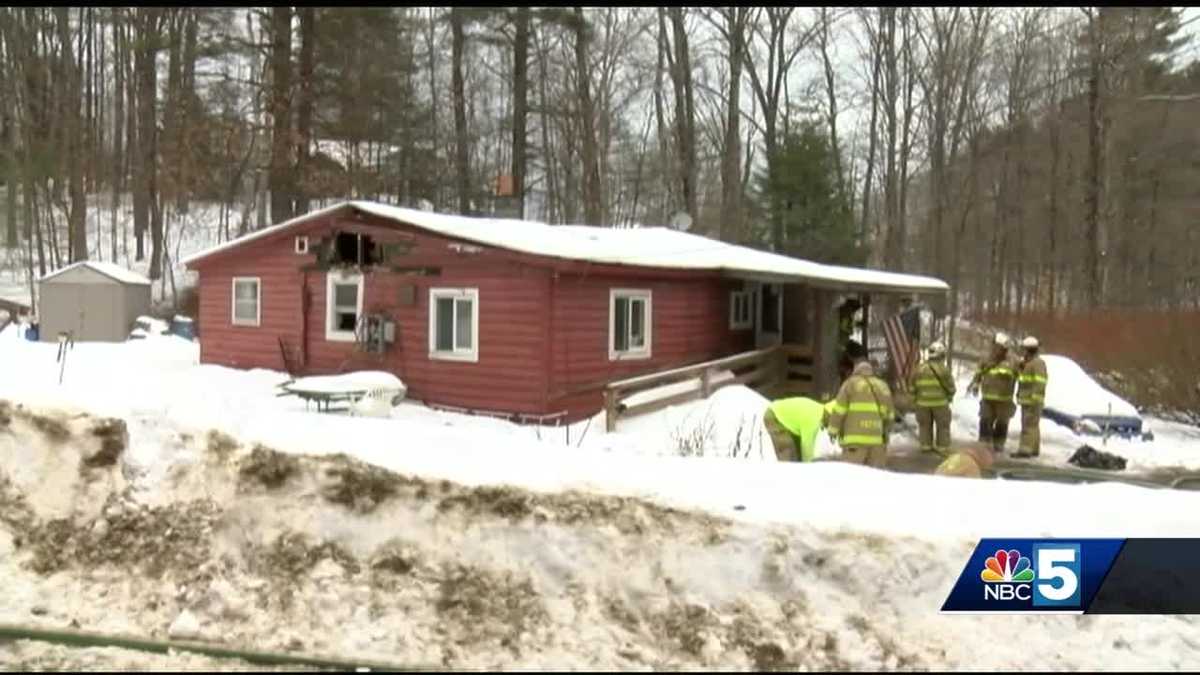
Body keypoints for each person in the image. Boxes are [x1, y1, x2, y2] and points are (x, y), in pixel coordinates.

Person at [826, 357, 894, 469]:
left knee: (852, 477)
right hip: (877, 441)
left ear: (856, 369)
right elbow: (890, 415)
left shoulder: (850, 384)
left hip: (854, 442)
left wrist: (833, 430)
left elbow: (839, 410)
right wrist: (885, 433)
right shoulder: (883, 386)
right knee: (876, 478)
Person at [968, 332, 1018, 453]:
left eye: (999, 347)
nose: (996, 349)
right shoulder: (986, 359)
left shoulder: (1014, 361)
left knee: (1002, 422)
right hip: (987, 398)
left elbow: (1021, 377)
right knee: (985, 419)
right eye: (995, 346)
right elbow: (979, 373)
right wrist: (975, 384)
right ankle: (983, 442)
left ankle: (999, 444)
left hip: (1004, 400)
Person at [910, 340, 955, 456]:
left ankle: (926, 446)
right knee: (943, 426)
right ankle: (942, 448)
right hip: (940, 404)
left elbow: (911, 387)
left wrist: (915, 398)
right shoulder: (944, 369)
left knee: (924, 426)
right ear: (941, 354)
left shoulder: (919, 368)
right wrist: (949, 397)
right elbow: (951, 388)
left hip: (922, 404)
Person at [763, 396, 830, 462]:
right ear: (829, 416)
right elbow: (807, 446)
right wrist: (809, 466)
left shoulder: (818, 409)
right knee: (788, 450)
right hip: (774, 417)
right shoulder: (814, 420)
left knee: (796, 451)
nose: (829, 426)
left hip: (781, 418)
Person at [1013, 336, 1048, 458]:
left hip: (1032, 401)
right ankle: (1033, 449)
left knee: (1028, 425)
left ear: (1029, 350)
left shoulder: (1037, 363)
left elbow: (1040, 382)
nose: (1023, 352)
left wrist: (1034, 399)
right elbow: (1024, 380)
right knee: (1033, 425)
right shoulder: (1029, 363)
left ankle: (1025, 450)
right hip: (1028, 400)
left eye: (1024, 349)